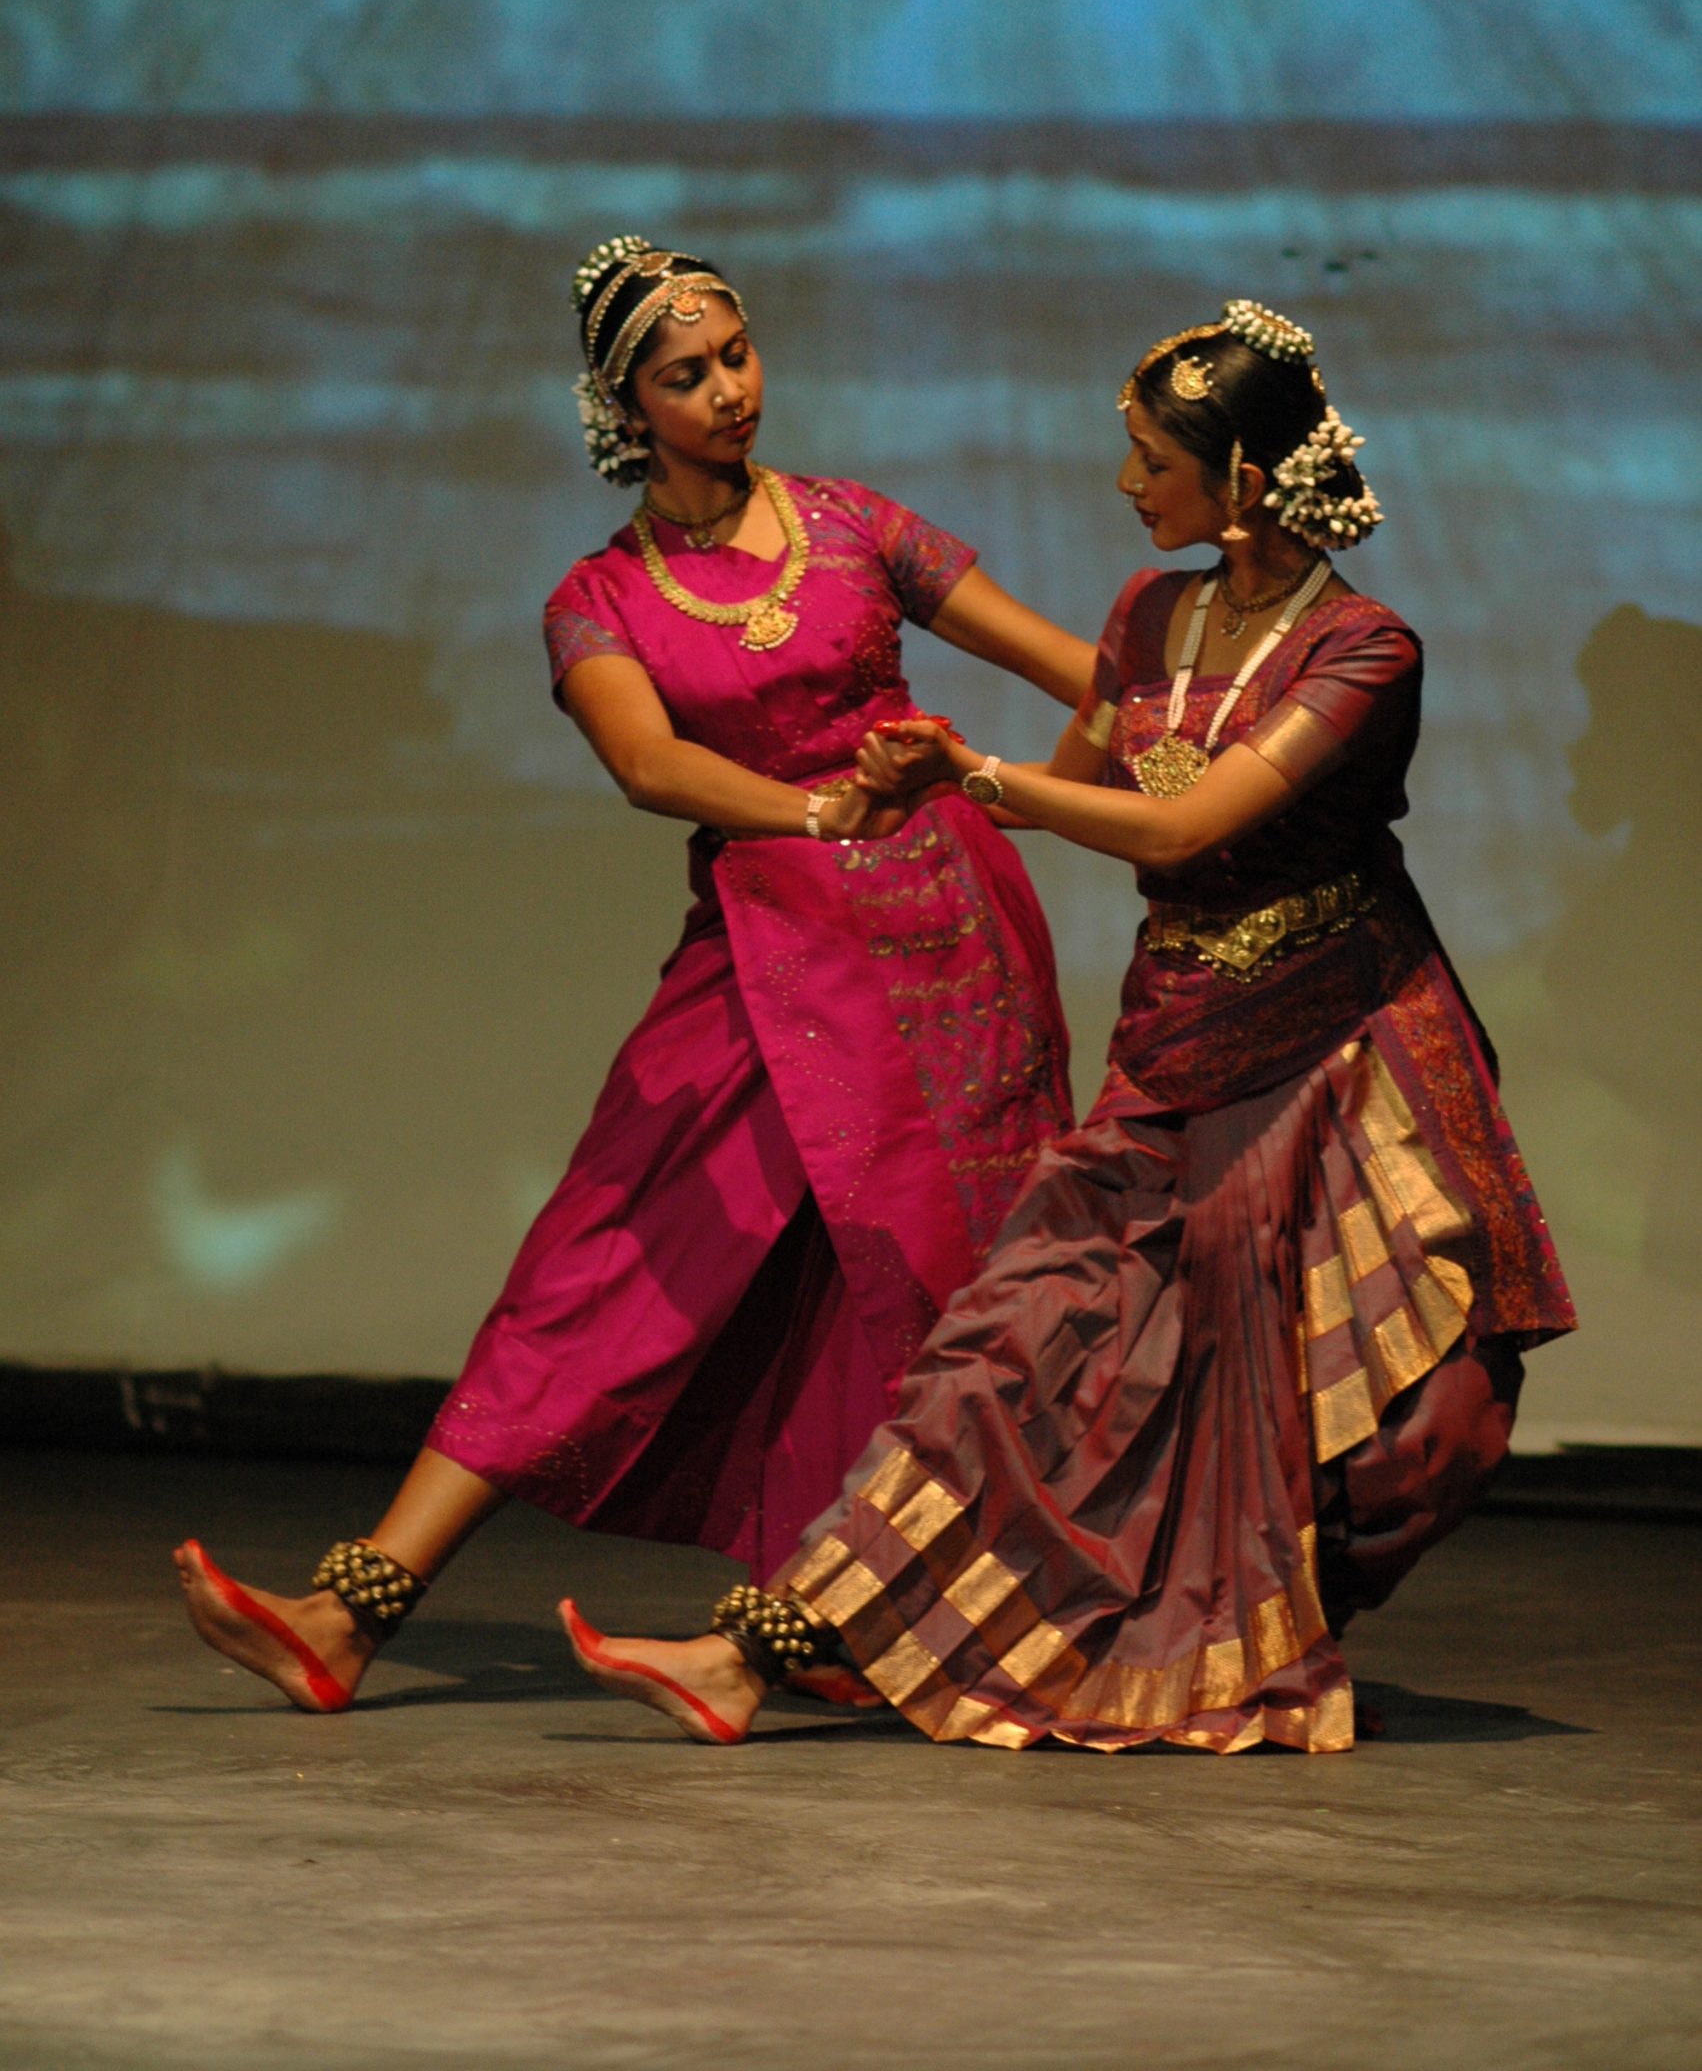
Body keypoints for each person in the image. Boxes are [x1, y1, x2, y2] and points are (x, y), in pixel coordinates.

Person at [563, 297, 1577, 1755]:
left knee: (1399, 1421)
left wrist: (975, 778)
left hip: (1340, 1056)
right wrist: (917, 779)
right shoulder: (1149, 615)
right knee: (1006, 1352)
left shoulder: (1363, 649)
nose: (1125, 482)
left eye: (1152, 458)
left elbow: (1189, 820)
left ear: (1240, 479)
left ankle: (1240, 1625)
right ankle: (750, 1652)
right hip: (1178, 1047)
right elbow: (1087, 797)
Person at [175, 235, 1093, 1711]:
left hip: (940, 955)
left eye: (737, 353)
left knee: (918, 1283)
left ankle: (817, 1637)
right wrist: (817, 812)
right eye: (685, 374)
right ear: (625, 407)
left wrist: (1028, 790)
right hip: (757, 955)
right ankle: (355, 1608)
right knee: (601, 1257)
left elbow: (1083, 674)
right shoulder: (596, 598)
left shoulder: (859, 526)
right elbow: (648, 764)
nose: (729, 390)